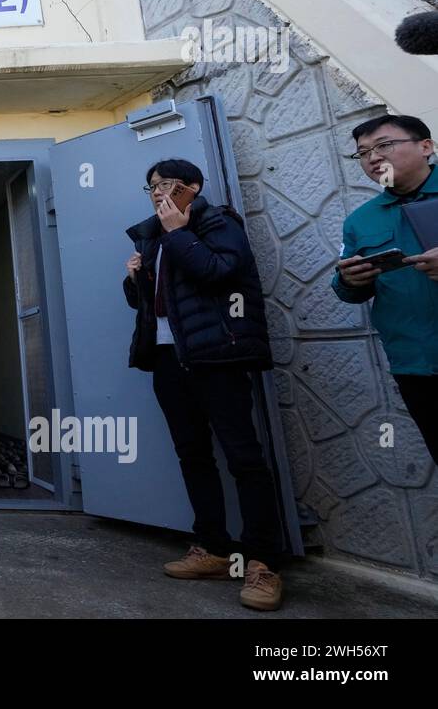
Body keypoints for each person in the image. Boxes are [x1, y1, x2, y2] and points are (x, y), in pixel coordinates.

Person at [123, 158, 285, 611]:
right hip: (168, 358)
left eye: (168, 184)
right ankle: (213, 548)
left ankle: (263, 561)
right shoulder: (152, 234)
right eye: (151, 186)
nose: (158, 193)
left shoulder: (218, 222)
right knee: (192, 454)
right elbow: (150, 304)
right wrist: (134, 278)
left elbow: (219, 273)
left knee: (244, 458)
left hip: (218, 356)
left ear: (194, 187)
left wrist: (178, 234)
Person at [333, 114, 438, 461]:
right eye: (363, 153)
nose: (373, 158)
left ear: (426, 147)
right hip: (417, 365)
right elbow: (347, 289)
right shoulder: (360, 221)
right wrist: (349, 281)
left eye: (384, 145)